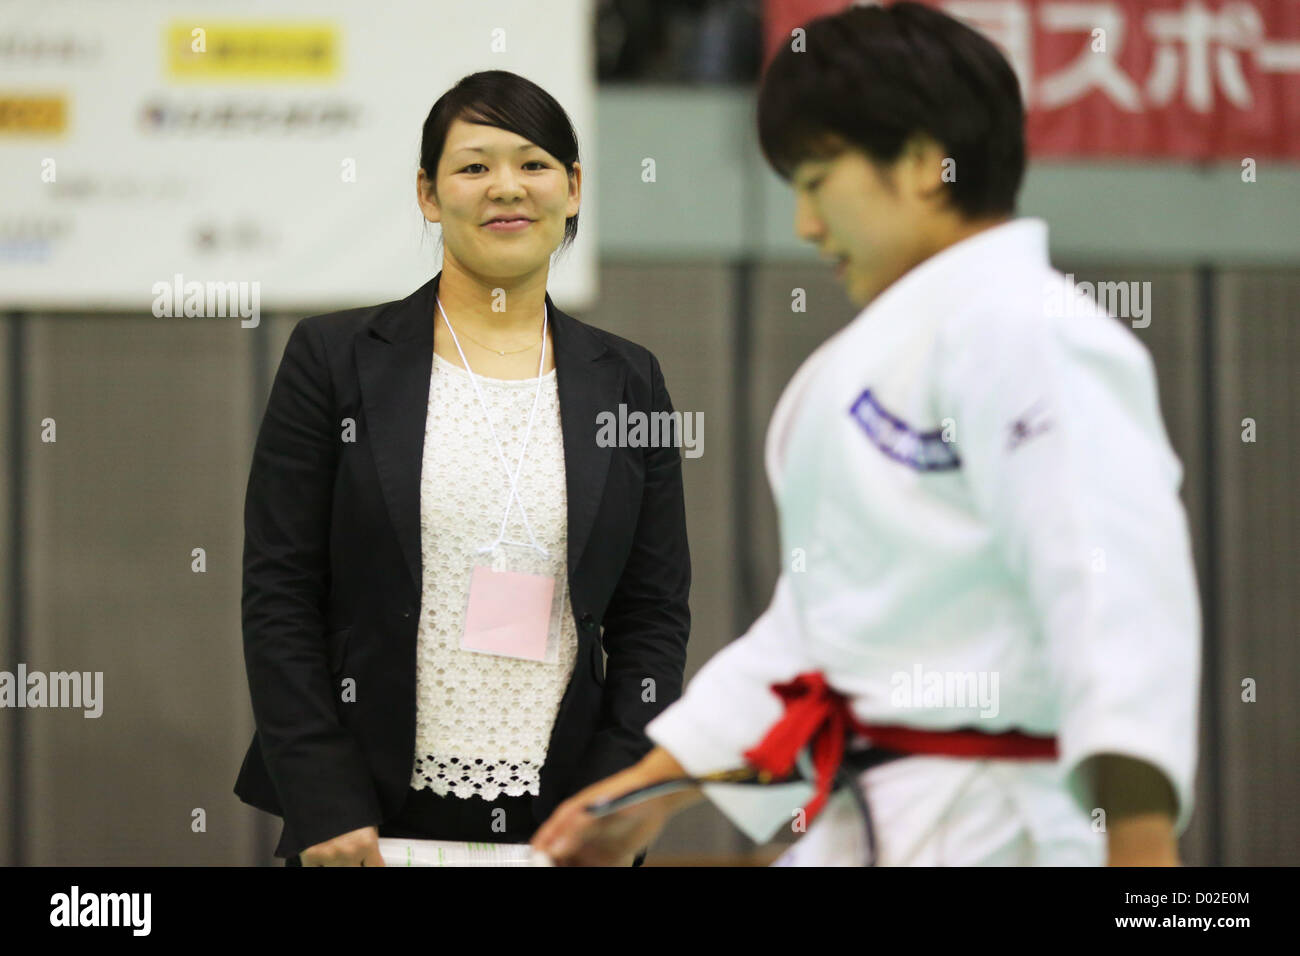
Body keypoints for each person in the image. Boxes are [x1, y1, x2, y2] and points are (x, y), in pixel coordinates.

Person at [531, 3, 1200, 866]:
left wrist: (1143, 854)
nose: (807, 226)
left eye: (816, 183)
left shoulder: (1034, 333)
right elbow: (820, 628)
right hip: (877, 808)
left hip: (1011, 827)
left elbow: (1112, 595)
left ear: (924, 164)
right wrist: (656, 786)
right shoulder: (874, 360)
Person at [233, 70, 691, 866]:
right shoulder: (333, 359)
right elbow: (280, 596)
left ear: (574, 188)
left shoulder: (630, 378)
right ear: (428, 193)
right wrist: (323, 803)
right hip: (368, 828)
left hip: (563, 834)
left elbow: (653, 617)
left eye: (534, 164)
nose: (506, 188)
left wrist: (616, 802)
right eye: (474, 166)